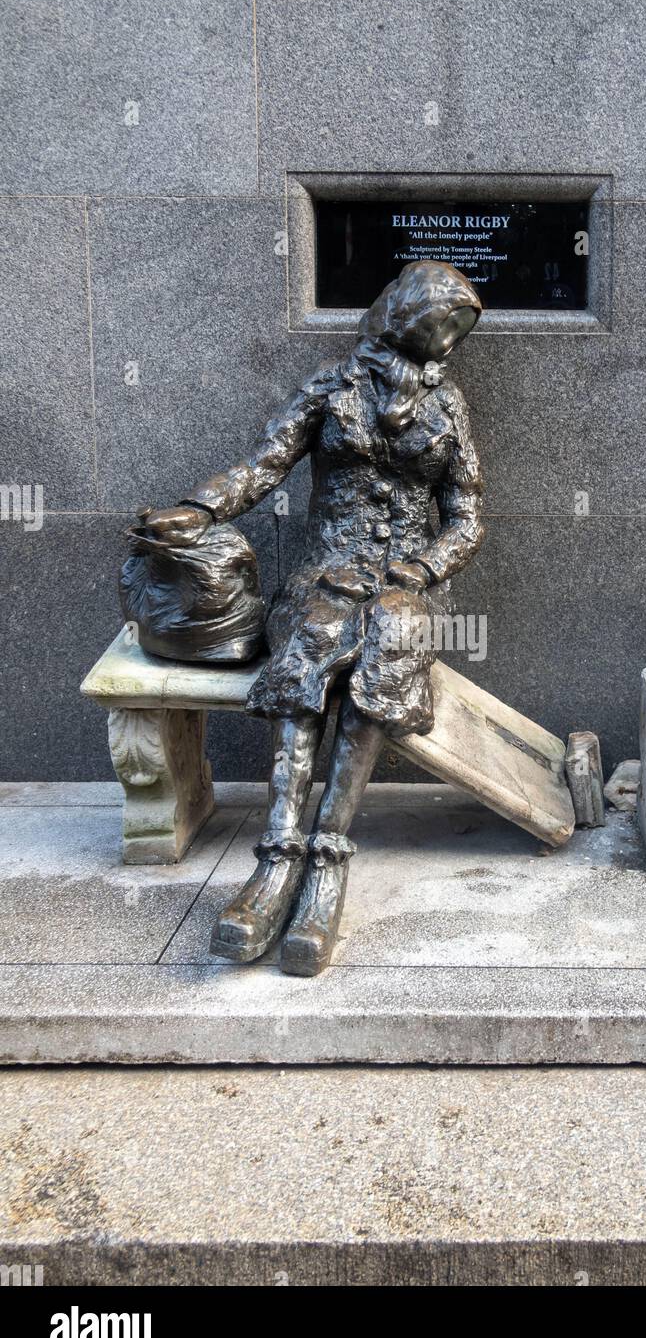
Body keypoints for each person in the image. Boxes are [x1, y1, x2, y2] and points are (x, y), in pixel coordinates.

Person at [141, 261, 484, 975]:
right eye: (442, 325)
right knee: (314, 635)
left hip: (407, 580)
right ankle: (277, 857)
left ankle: (328, 859)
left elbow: (467, 514)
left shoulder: (448, 405)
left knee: (391, 634)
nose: (449, 343)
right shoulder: (332, 387)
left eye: (460, 331)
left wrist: (426, 568)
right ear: (405, 315)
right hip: (327, 569)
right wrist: (200, 509)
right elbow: (261, 466)